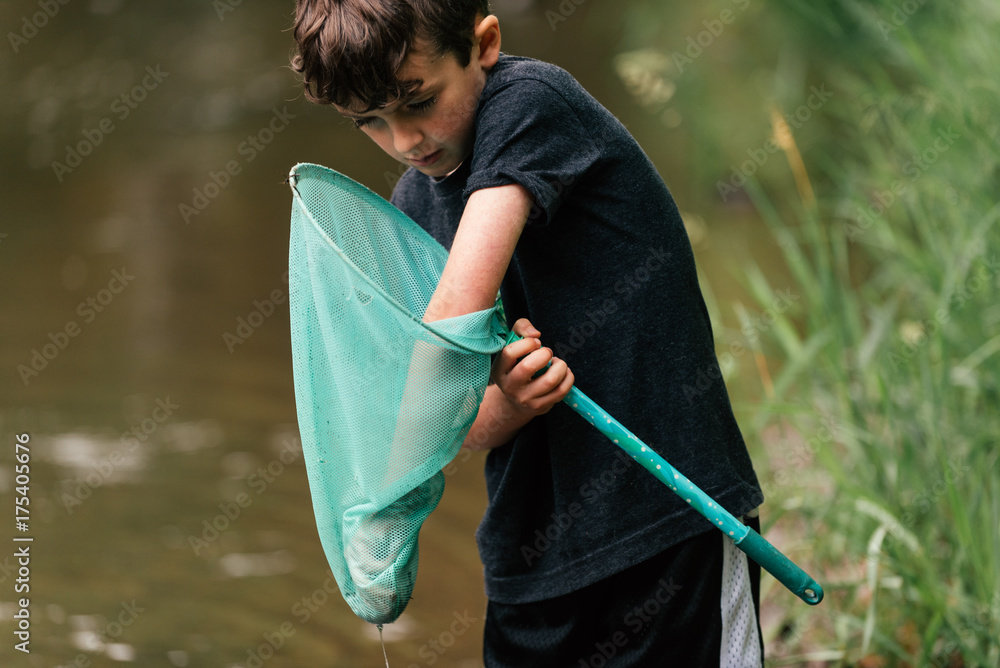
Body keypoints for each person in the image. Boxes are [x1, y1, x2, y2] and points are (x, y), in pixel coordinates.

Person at [291, 1, 766, 665]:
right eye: (370, 119)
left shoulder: (530, 104)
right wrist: (506, 406)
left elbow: (459, 310)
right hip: (530, 559)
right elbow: (455, 426)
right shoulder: (412, 207)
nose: (405, 139)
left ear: (483, 44)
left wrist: (390, 490)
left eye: (418, 100)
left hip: (668, 522)